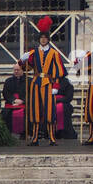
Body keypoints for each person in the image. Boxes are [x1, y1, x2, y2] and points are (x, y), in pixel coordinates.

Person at [22, 16, 65, 146]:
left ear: (48, 39)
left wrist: (56, 85)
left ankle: (52, 137)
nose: (43, 40)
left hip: (48, 83)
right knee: (35, 110)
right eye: (41, 38)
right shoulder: (33, 52)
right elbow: (27, 68)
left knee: (50, 111)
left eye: (45, 38)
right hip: (36, 83)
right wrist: (22, 60)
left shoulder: (54, 53)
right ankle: (35, 137)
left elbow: (58, 71)